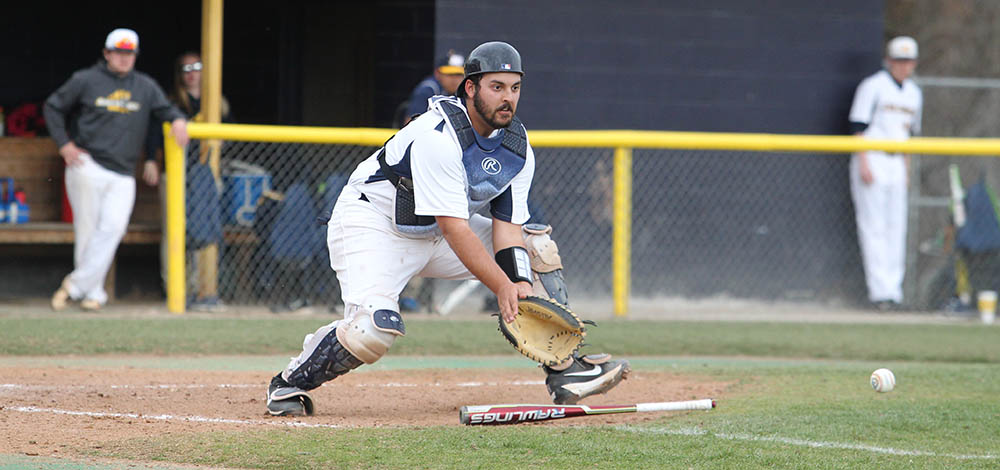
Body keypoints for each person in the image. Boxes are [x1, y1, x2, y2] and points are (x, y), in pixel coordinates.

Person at [265, 41, 630, 416]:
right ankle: (287, 383)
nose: (508, 98)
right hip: (374, 225)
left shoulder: (516, 147)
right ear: (470, 88)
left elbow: (507, 229)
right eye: (497, 87)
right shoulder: (438, 136)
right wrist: (502, 285)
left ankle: (564, 370)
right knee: (372, 332)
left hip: (434, 234)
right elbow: (456, 230)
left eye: (515, 88)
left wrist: (519, 280)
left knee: (535, 249)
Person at [45, 28, 188, 311]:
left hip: (123, 171)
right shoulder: (85, 79)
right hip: (87, 164)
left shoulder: (145, 86)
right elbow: (53, 106)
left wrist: (179, 120)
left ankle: (74, 285)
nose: (124, 59)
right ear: (107, 54)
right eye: (119, 53)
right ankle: (94, 294)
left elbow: (167, 110)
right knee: (87, 232)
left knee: (113, 228)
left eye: (130, 53)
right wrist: (64, 145)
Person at [147, 51, 232, 312]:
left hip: (204, 177)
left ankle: (200, 289)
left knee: (202, 230)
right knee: (173, 232)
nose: (192, 72)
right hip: (174, 175)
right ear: (179, 74)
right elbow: (153, 133)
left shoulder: (218, 104)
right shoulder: (171, 102)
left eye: (197, 67)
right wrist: (150, 160)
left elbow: (228, 141)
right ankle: (175, 289)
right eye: (186, 68)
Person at [848, 36, 923, 311]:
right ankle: (880, 293)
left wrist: (906, 170)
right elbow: (858, 126)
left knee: (896, 227)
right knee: (874, 227)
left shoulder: (914, 93)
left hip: (896, 163)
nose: (904, 66)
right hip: (873, 158)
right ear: (889, 61)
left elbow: (910, 134)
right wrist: (863, 161)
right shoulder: (873, 86)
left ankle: (894, 292)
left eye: (909, 61)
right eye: (899, 60)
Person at [395, 50, 466, 128]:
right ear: (437, 73)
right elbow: (409, 126)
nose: (454, 79)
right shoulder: (428, 90)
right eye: (449, 74)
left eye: (458, 75)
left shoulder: (466, 90)